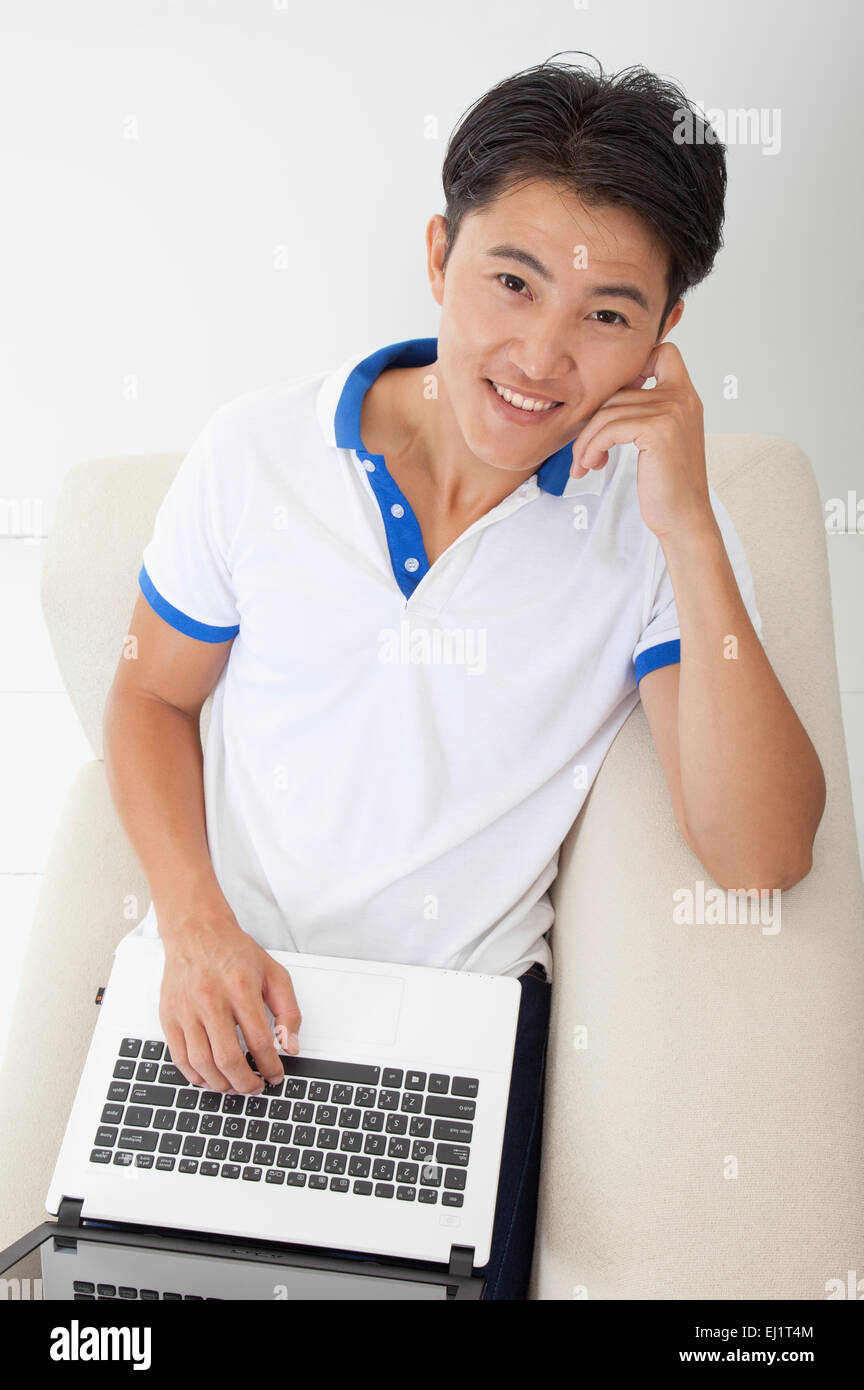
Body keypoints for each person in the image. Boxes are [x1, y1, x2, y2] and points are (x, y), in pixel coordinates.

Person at [103, 54, 824, 1300]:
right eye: (513, 281)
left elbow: (761, 852)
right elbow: (148, 696)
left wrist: (691, 529)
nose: (541, 355)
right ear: (440, 254)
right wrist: (194, 926)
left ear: (664, 336)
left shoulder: (652, 528)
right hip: (216, 1002)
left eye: (607, 314)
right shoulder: (257, 452)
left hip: (450, 1045)